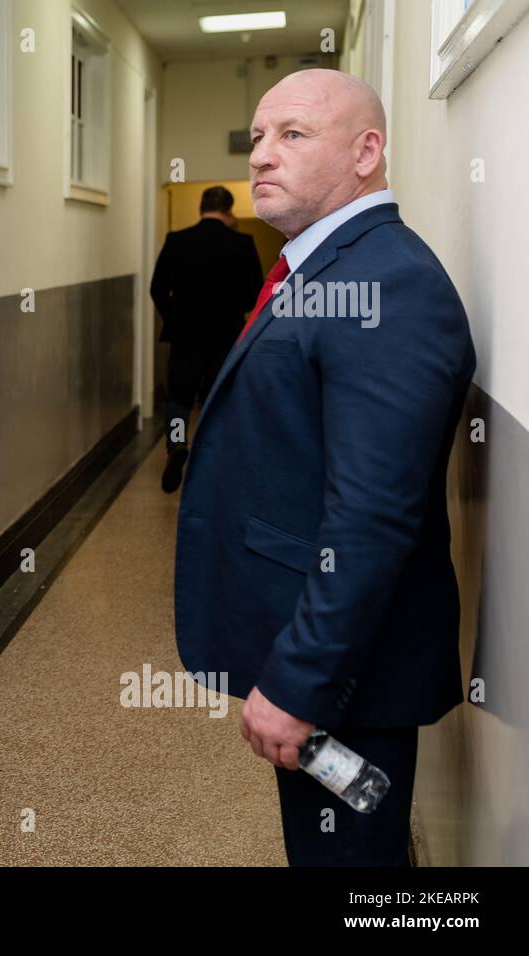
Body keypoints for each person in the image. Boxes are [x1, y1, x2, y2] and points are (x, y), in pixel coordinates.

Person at [174, 69, 475, 866]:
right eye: (260, 137)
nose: (262, 156)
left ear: (366, 152)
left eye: (294, 135)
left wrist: (301, 683)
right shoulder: (325, 263)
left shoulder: (386, 282)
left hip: (347, 678)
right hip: (325, 656)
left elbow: (373, 517)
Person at [150, 185, 263, 493]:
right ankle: (211, 462)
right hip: (225, 335)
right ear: (228, 211)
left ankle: (176, 446)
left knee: (179, 399)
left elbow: (157, 289)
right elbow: (256, 290)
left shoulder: (177, 241)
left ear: (201, 209)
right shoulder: (242, 243)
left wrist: (176, 318)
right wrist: (232, 312)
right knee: (218, 399)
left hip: (185, 335)